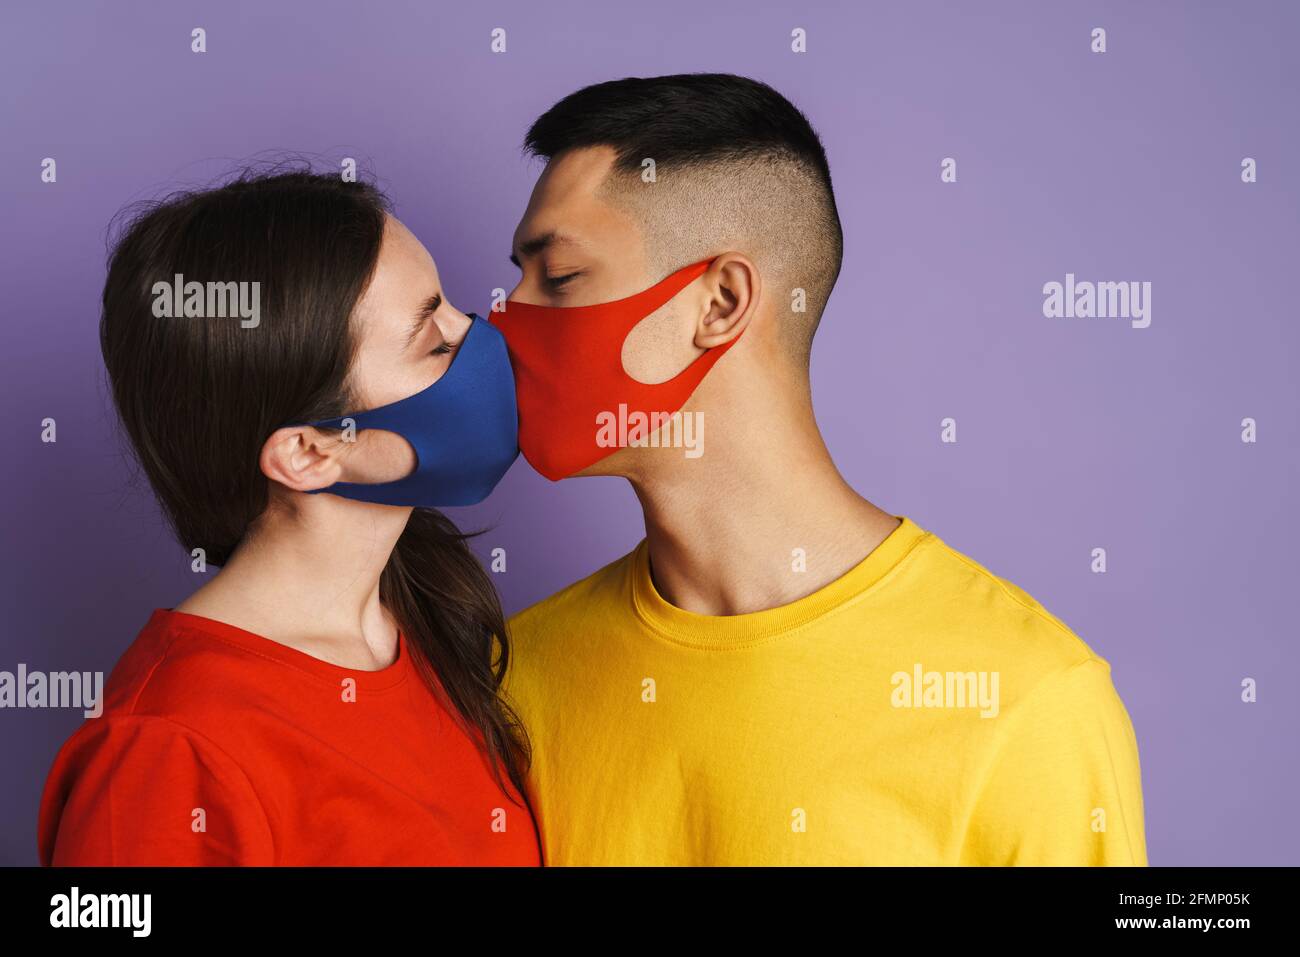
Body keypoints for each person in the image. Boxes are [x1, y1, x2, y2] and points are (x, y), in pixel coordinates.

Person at [493, 74, 1148, 865]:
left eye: (558, 278)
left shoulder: (1027, 701)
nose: (500, 319)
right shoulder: (515, 676)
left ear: (720, 303)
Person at [39, 169, 540, 865]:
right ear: (308, 453)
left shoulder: (423, 619)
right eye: (433, 341)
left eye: (451, 306)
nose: (482, 338)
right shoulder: (165, 749)